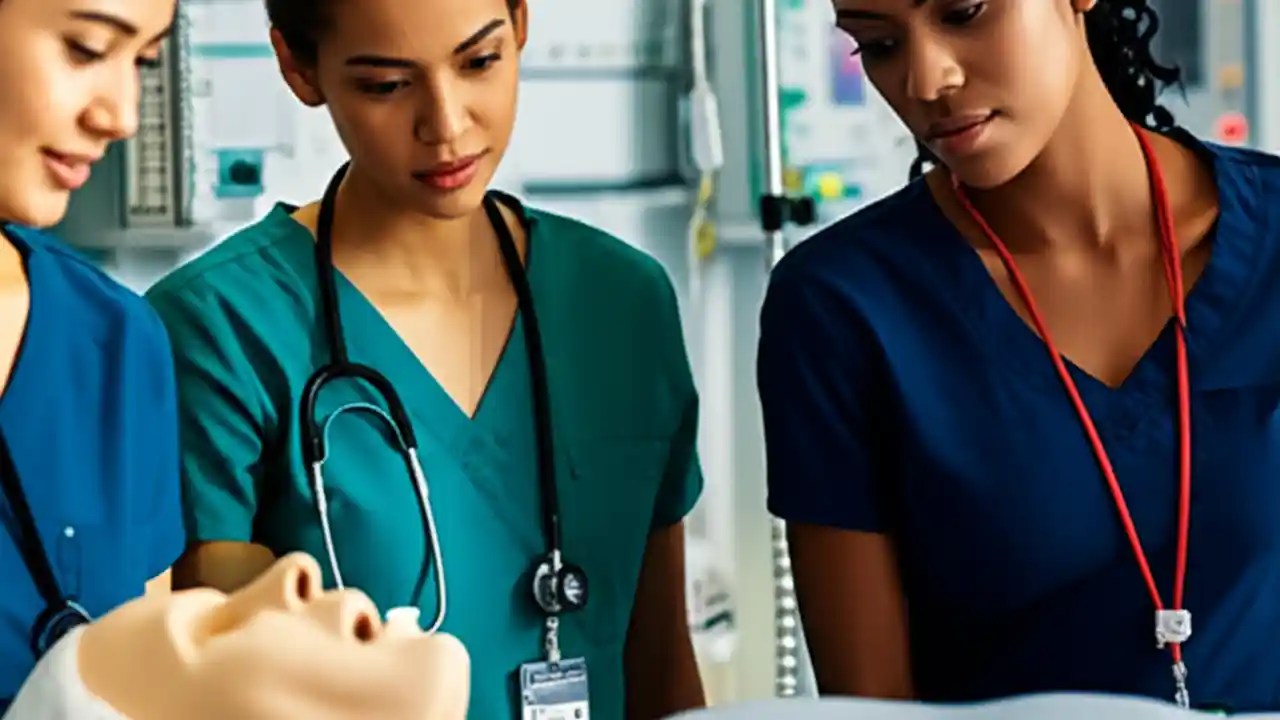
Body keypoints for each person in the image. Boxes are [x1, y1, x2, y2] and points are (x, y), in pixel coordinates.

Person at [144, 0, 707, 717]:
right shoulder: (220, 328)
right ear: (298, 67)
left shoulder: (622, 301)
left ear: (522, 24)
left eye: (479, 62)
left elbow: (661, 659)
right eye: (386, 85)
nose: (445, 125)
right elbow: (200, 680)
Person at [758, 0, 1280, 714]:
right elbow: (872, 705)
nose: (926, 78)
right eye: (877, 45)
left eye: (964, 12)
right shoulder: (843, 308)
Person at [0, 0, 185, 711]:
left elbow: (148, 692)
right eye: (85, 49)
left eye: (139, 61)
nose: (122, 116)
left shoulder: (115, 343)